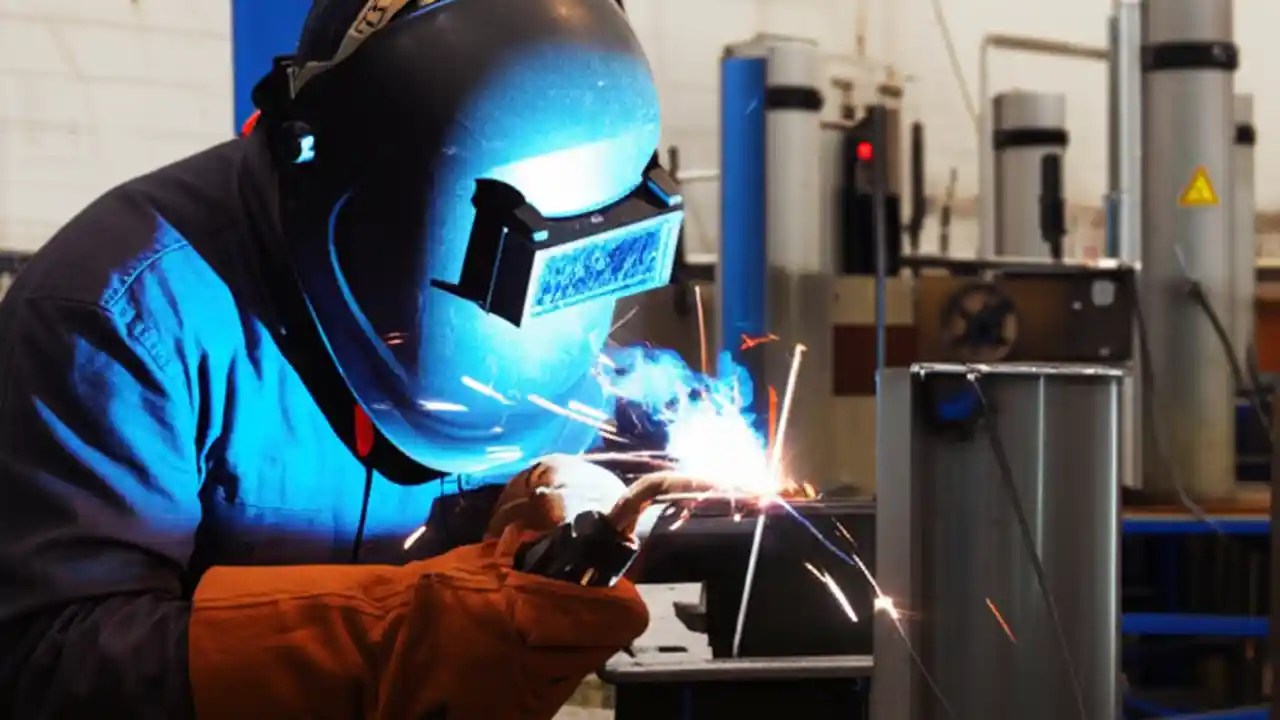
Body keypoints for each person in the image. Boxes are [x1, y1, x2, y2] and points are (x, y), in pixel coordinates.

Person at [0, 0, 682, 717]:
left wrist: (518, 534)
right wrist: (404, 632)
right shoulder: (124, 315)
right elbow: (52, 662)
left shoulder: (560, 302)